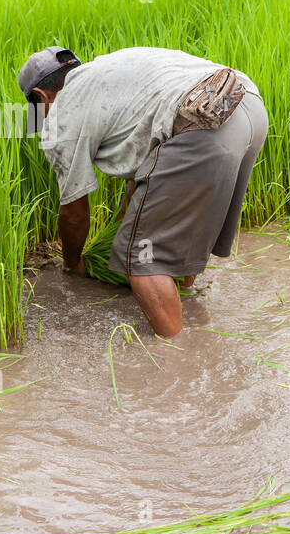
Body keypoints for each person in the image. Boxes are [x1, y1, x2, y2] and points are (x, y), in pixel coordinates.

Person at [17, 46, 268, 337]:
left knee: (142, 259)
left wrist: (73, 265)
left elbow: (74, 213)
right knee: (180, 233)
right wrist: (129, 220)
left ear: (40, 96)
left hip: (201, 126)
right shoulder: (109, 71)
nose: (43, 119)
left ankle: (181, 358)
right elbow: (147, 166)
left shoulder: (63, 113)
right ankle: (187, 304)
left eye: (38, 111)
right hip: (246, 105)